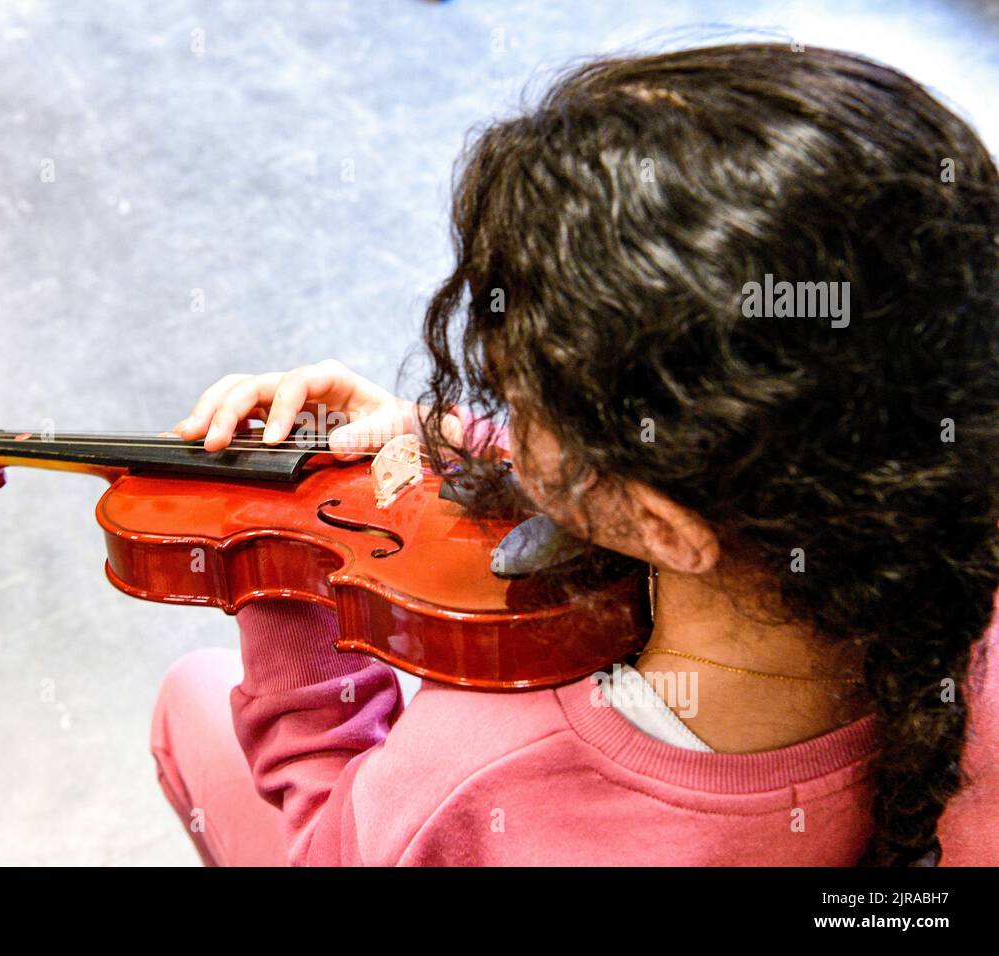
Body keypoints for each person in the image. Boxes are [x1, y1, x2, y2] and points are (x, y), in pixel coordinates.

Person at [151, 43, 999, 866]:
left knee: (190, 698)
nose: (501, 420)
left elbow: (331, 851)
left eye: (518, 404)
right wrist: (450, 436)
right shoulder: (941, 514)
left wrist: (280, 573)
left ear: (661, 524)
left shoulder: (478, 776)